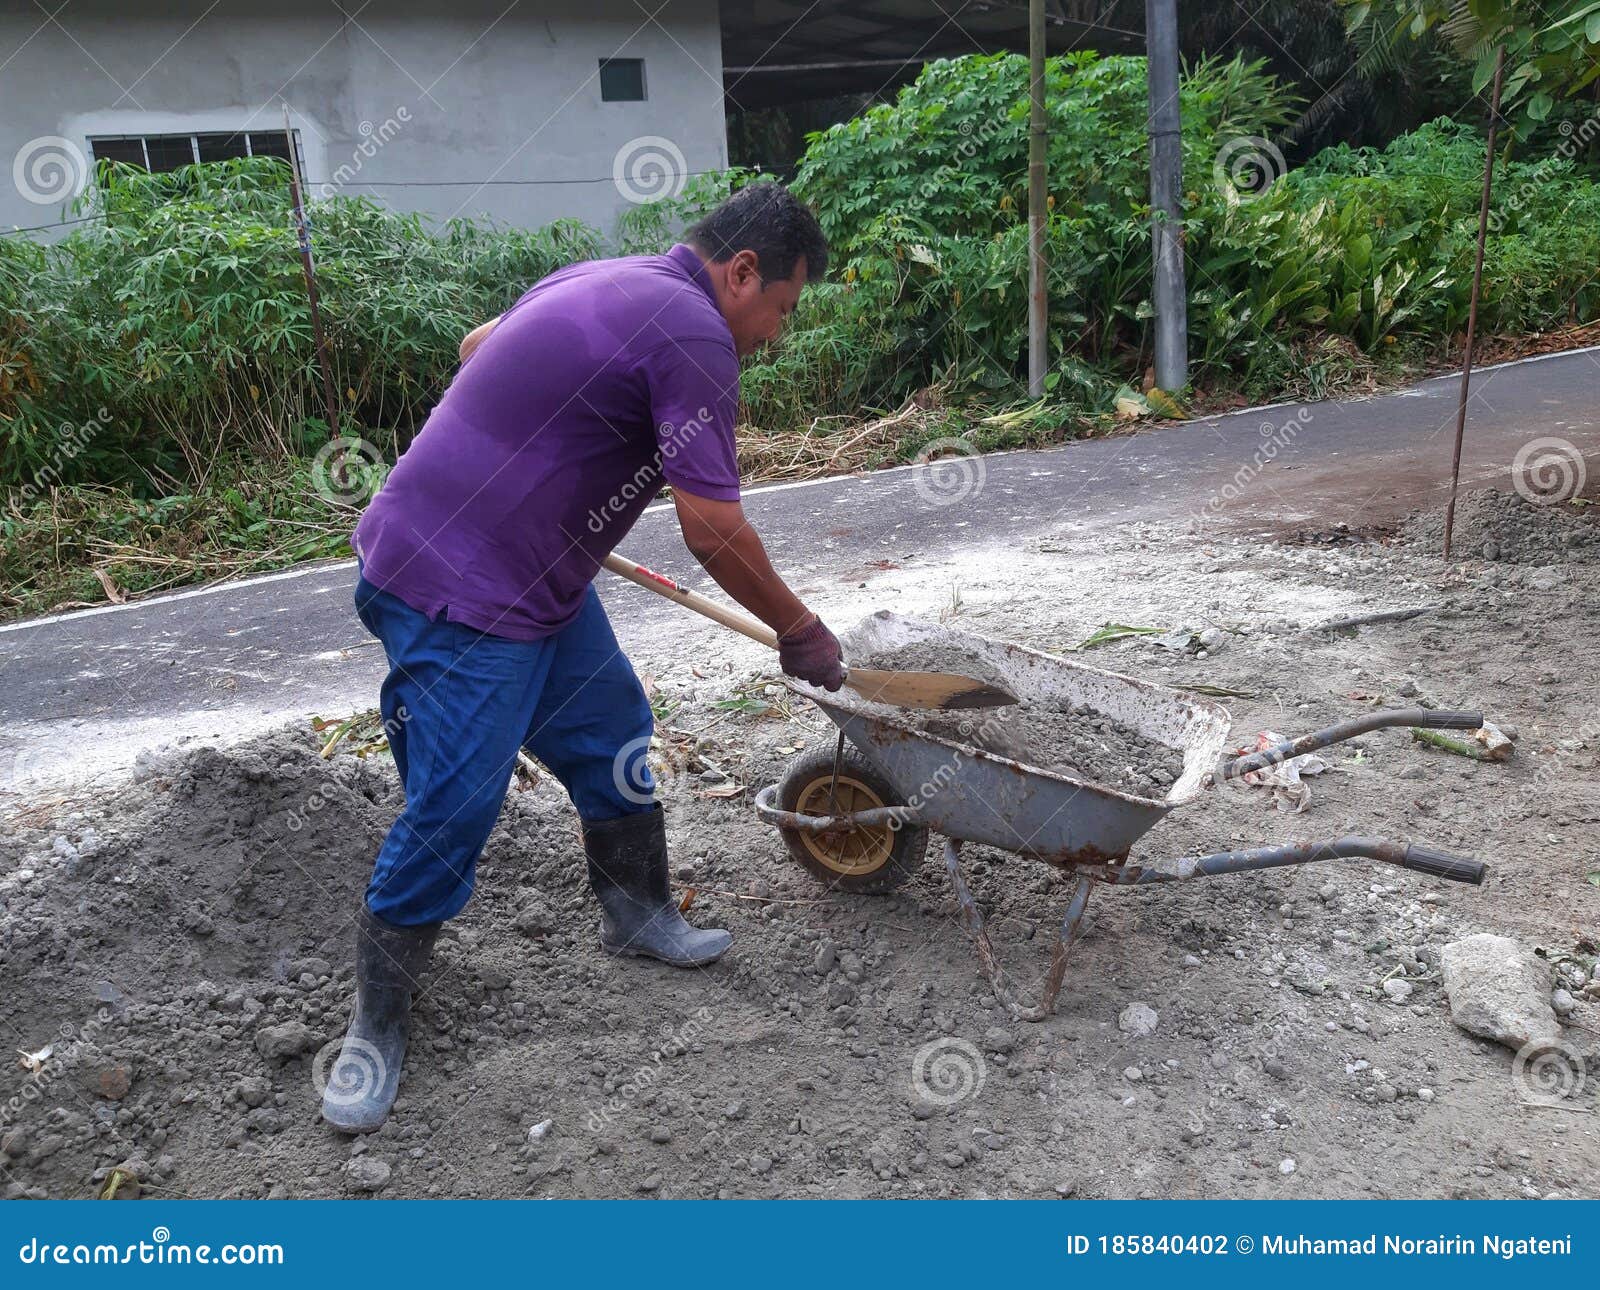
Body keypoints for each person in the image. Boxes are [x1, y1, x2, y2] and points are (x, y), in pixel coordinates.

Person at [321, 184, 844, 1133]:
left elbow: (481, 349)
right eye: (784, 307)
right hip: (458, 586)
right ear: (743, 274)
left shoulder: (608, 275)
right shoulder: (696, 337)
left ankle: (637, 913)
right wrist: (801, 631)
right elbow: (714, 530)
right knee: (454, 805)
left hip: (534, 572)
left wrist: (541, 472)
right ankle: (376, 1027)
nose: (778, 334)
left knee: (613, 732)